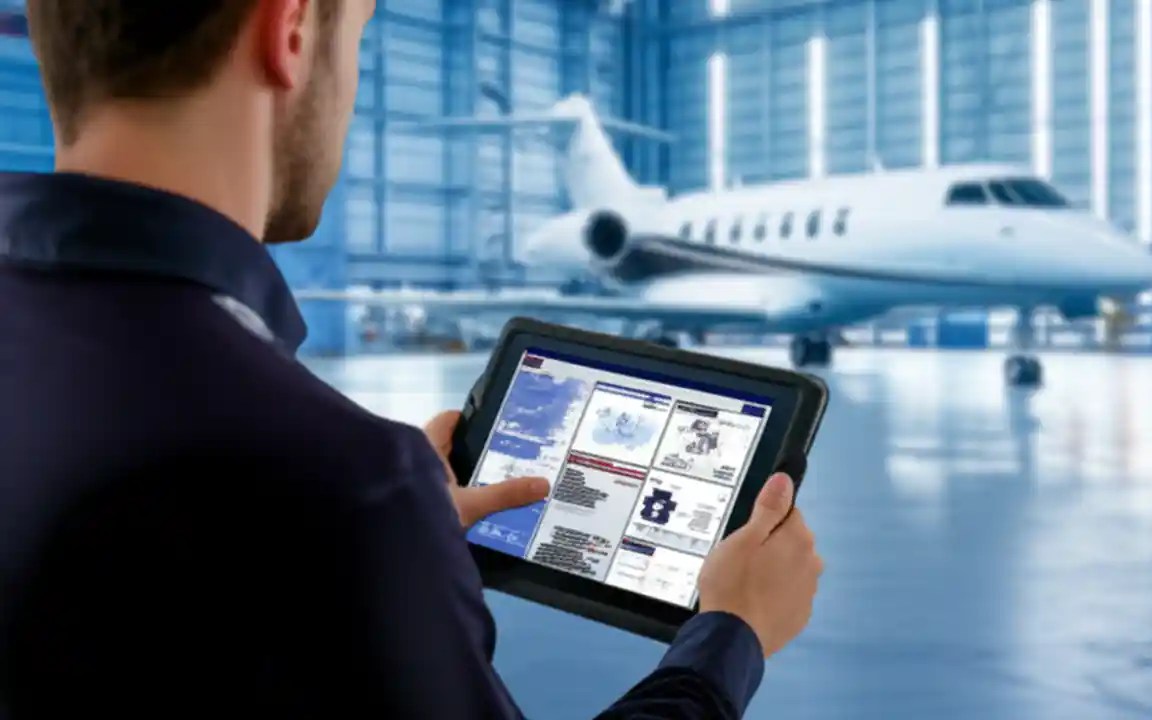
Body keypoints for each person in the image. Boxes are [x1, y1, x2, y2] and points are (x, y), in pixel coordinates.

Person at [0, 1, 823, 718]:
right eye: (357, 32)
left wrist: (402, 546)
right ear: (289, 31)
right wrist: (730, 635)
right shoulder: (337, 483)